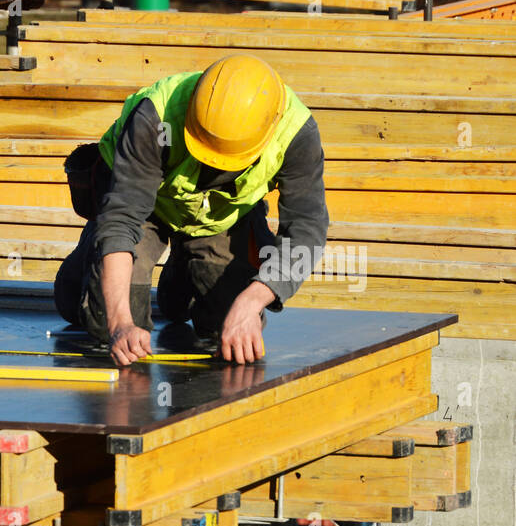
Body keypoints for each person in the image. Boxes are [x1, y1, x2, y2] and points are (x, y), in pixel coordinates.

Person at [54, 54, 329, 366]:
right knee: (107, 324)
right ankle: (83, 270)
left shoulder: (296, 133)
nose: (211, 165)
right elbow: (122, 219)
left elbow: (306, 230)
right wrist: (121, 325)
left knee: (231, 326)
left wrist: (253, 300)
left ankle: (185, 268)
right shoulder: (156, 117)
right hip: (148, 206)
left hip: (221, 216)